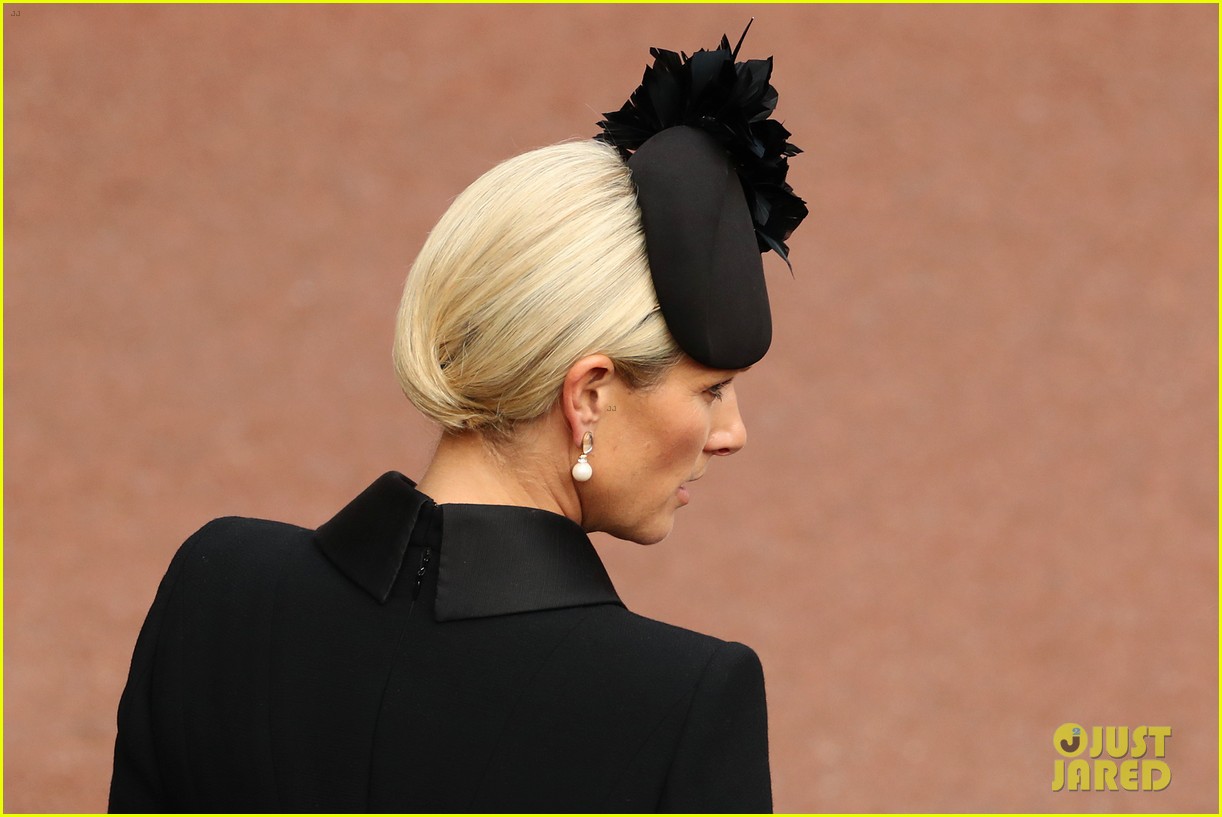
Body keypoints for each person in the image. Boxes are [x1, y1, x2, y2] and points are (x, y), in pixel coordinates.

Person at [109, 29, 807, 813]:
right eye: (711, 391)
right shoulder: (681, 702)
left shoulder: (215, 588)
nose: (732, 432)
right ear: (590, 396)